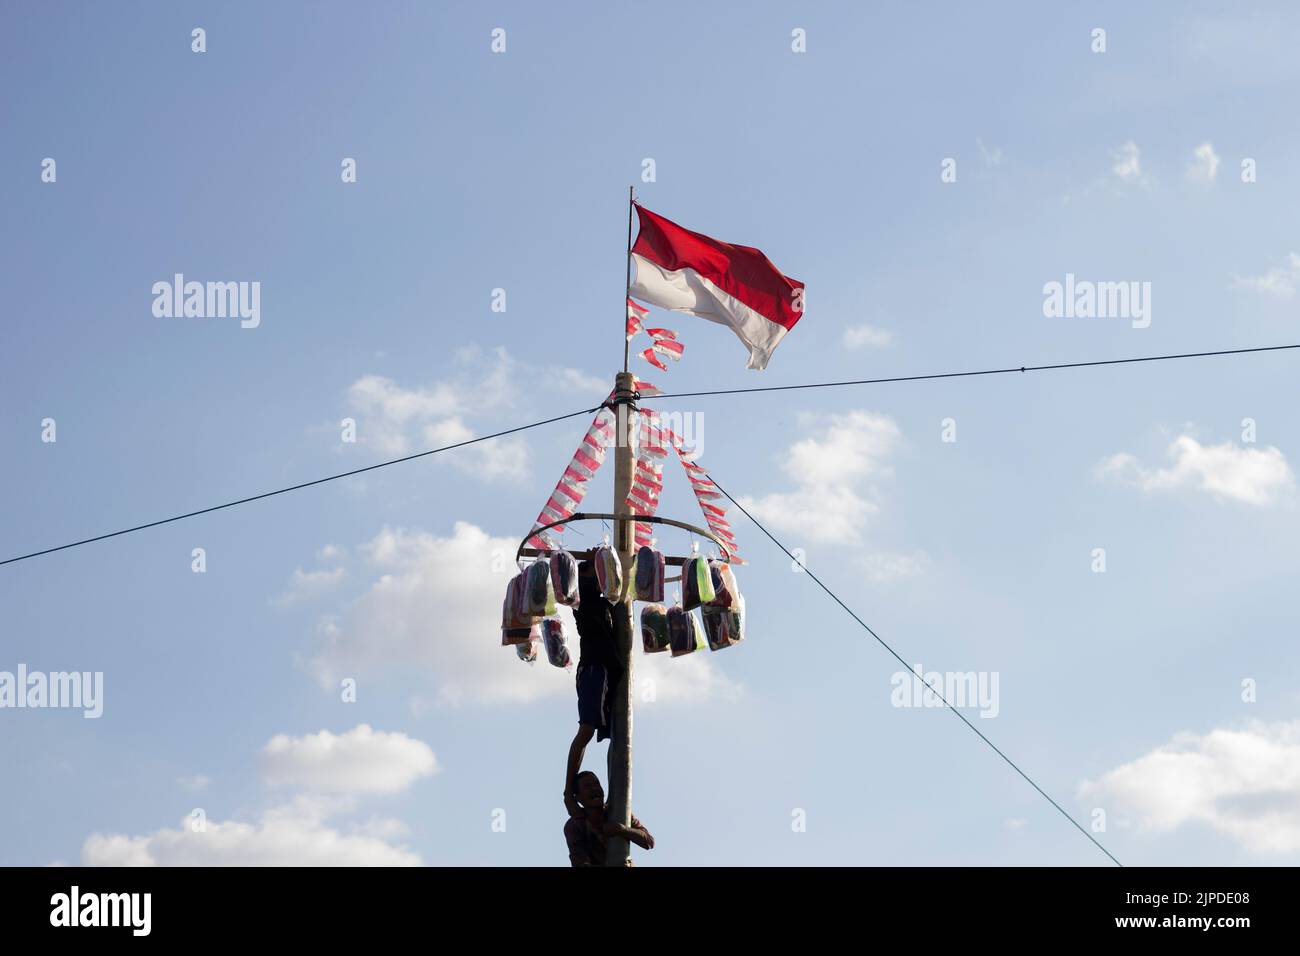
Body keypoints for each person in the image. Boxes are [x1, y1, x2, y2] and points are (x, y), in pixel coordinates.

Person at [563, 559, 624, 817]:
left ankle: (614, 797)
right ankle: (568, 792)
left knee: (617, 736)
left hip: (607, 671)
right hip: (594, 669)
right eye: (596, 573)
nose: (602, 577)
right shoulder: (584, 597)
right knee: (587, 729)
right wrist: (595, 563)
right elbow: (584, 583)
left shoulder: (600, 601)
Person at [564, 771, 654, 866]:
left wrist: (623, 830)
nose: (594, 788)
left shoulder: (619, 812)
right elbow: (580, 862)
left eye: (596, 784)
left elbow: (648, 841)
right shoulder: (574, 826)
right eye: (587, 787)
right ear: (578, 798)